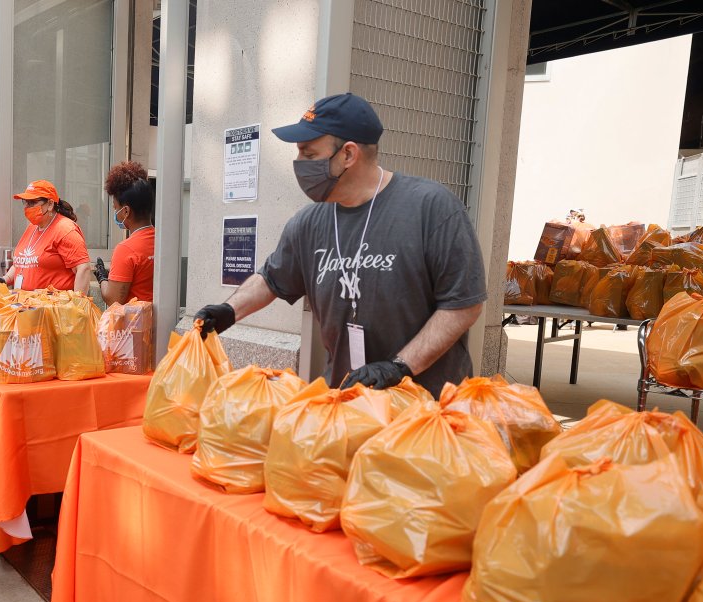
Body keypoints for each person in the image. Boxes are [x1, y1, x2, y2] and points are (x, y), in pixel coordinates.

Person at [193, 93, 487, 397]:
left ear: (348, 154)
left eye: (309, 154)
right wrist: (229, 310)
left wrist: (400, 366)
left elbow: (464, 305)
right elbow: (271, 279)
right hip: (347, 405)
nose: (299, 164)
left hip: (428, 411)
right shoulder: (308, 223)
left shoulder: (431, 208)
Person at [0, 180, 91, 292]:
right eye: (25, 202)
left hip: (52, 307)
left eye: (32, 202)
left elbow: (83, 268)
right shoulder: (32, 227)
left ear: (50, 204)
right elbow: (23, 262)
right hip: (25, 305)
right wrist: (5, 279)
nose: (27, 207)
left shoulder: (65, 229)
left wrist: (76, 304)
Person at [94, 162, 155, 304]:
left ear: (126, 211)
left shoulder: (126, 249)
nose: (116, 213)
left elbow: (113, 299)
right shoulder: (163, 242)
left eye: (116, 208)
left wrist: (102, 278)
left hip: (134, 324)